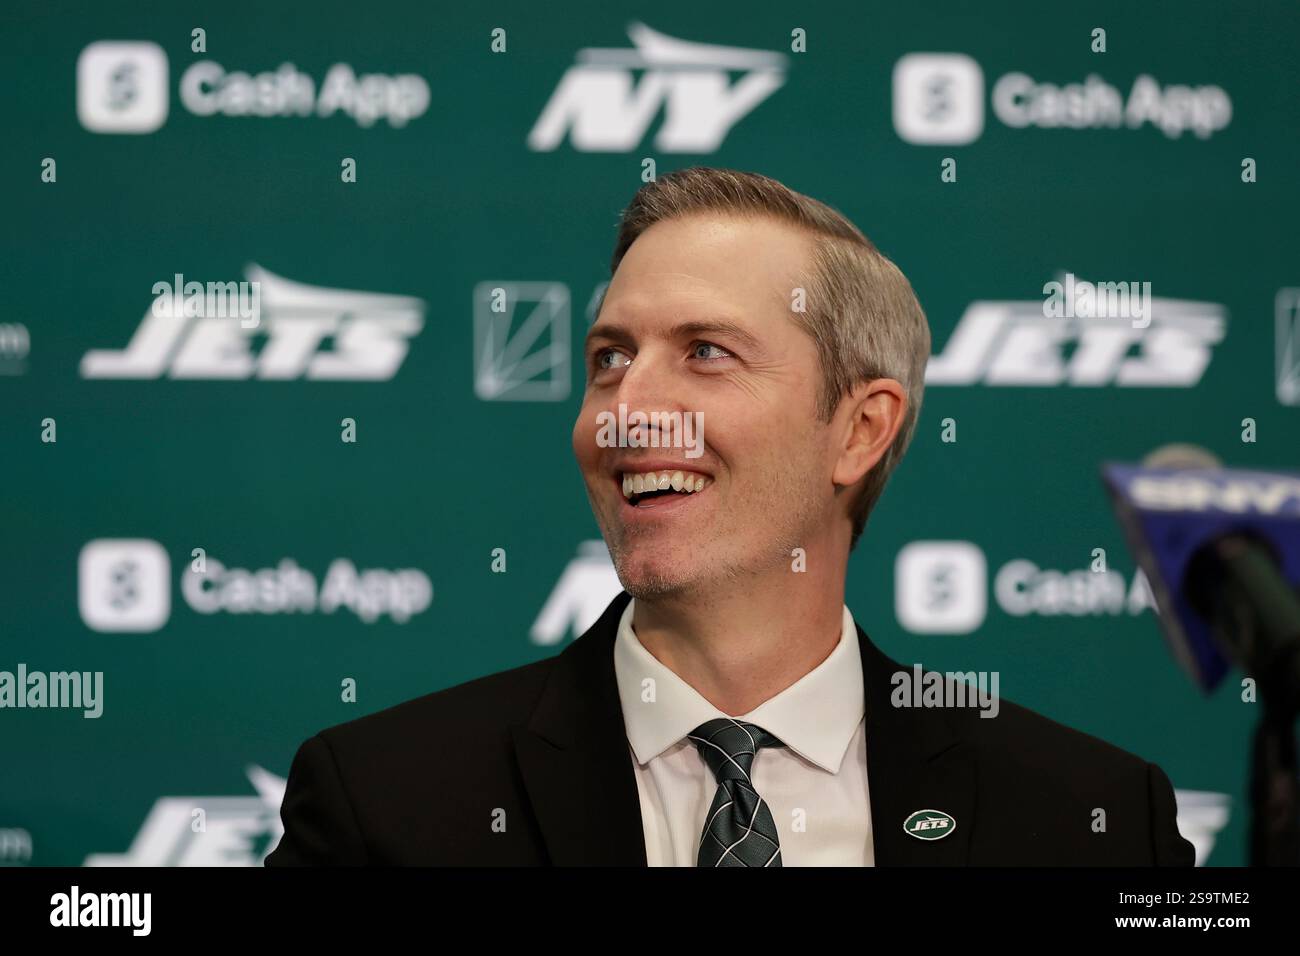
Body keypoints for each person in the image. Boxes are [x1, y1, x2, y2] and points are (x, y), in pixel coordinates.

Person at [267, 167, 1194, 866]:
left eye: (706, 352)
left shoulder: (1093, 819)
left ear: (860, 431)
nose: (629, 410)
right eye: (610, 358)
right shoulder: (383, 806)